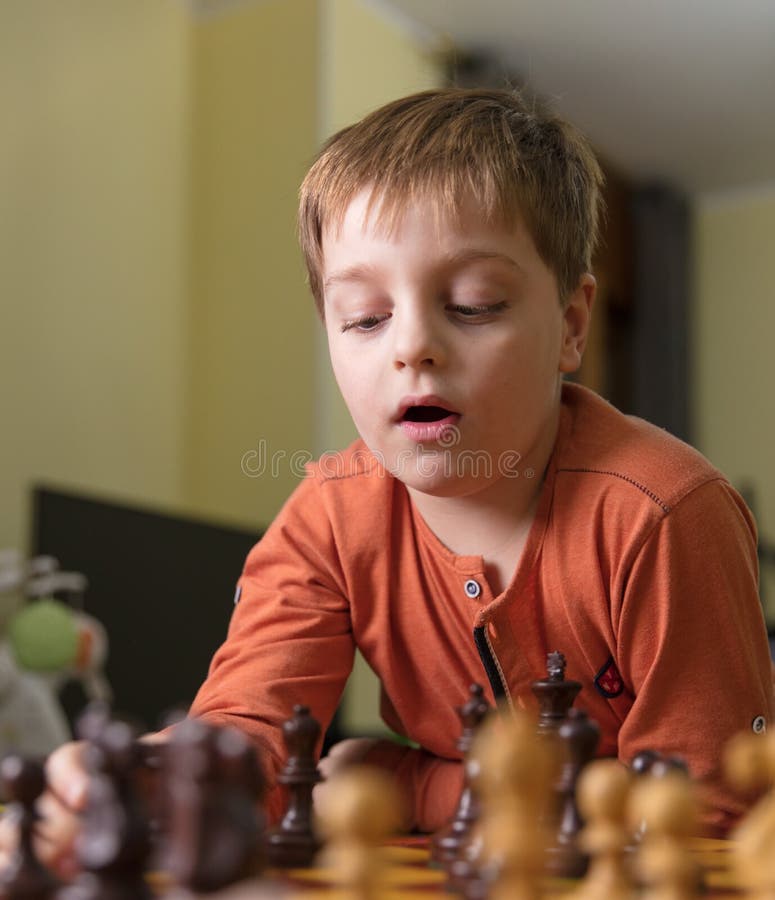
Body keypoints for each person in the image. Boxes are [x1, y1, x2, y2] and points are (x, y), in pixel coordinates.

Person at [1, 87, 772, 876]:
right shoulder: (328, 517)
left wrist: (419, 787)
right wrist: (141, 785)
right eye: (365, 318)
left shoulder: (665, 513)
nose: (411, 346)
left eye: (473, 305)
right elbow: (248, 735)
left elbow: (701, 814)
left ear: (571, 326)